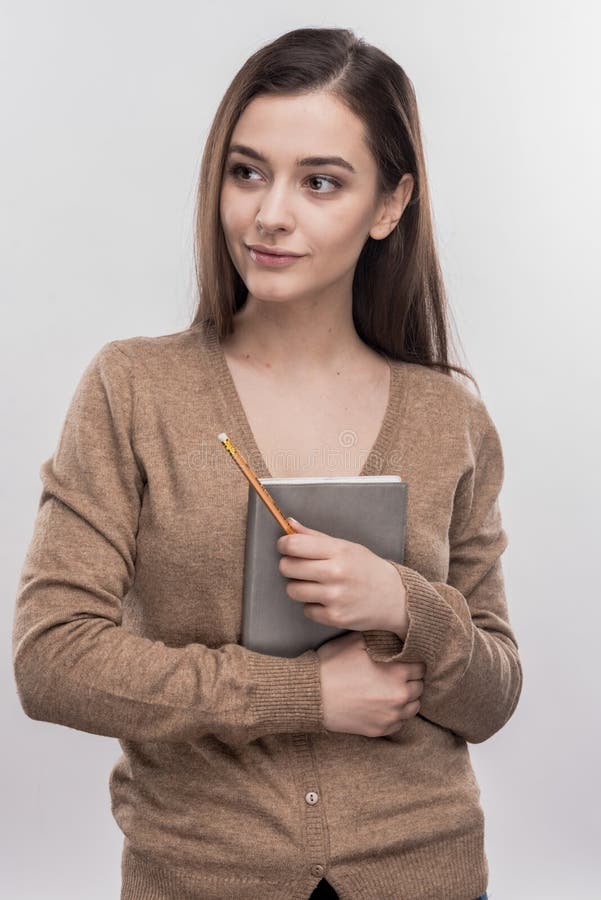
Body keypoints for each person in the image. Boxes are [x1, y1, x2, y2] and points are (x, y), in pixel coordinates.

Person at [12, 26, 520, 900]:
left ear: (390, 205)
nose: (269, 213)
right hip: (202, 874)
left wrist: (407, 604)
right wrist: (300, 697)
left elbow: (492, 695)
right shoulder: (134, 388)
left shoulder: (448, 416)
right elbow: (52, 659)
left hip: (426, 869)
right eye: (247, 172)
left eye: (319, 181)